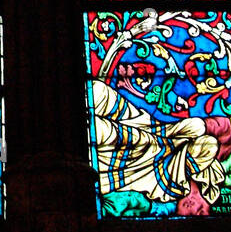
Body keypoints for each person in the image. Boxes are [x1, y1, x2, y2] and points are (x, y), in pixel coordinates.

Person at [91, 78, 224, 211]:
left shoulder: (172, 185)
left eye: (200, 210)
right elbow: (191, 130)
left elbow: (207, 145)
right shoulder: (193, 134)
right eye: (201, 207)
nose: (195, 205)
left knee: (105, 132)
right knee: (100, 92)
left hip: (138, 157)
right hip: (147, 128)